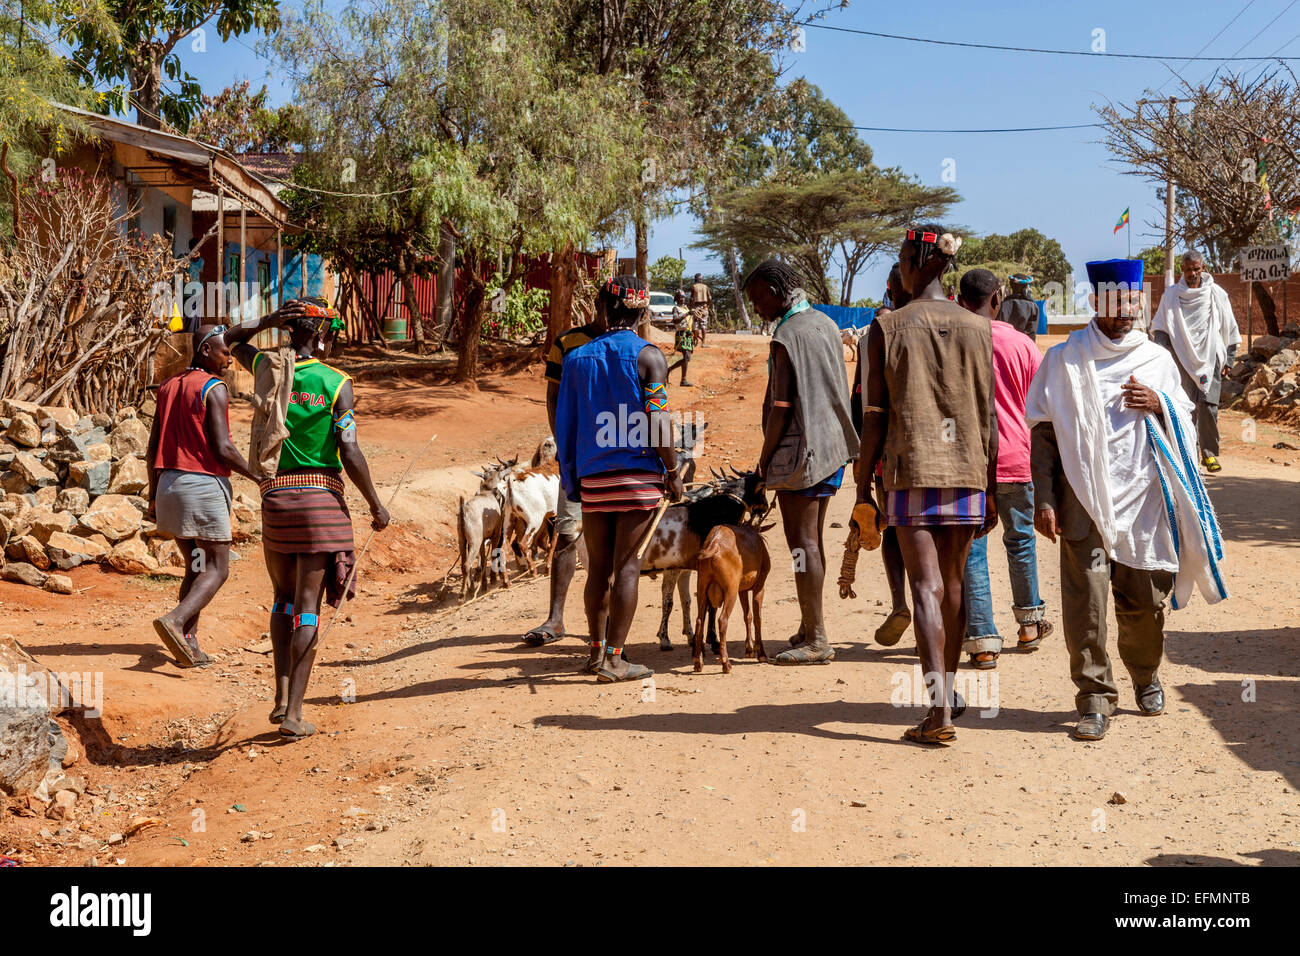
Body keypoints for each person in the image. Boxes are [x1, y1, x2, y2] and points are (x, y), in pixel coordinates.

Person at [1027, 259, 1227, 742]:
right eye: (1115, 305)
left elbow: (1184, 416)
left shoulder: (1156, 360)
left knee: (1143, 603)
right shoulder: (1065, 359)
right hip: (1083, 503)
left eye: (1132, 305)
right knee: (1086, 604)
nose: (1124, 314)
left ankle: (1145, 674)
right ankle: (1094, 698)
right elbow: (1044, 434)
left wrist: (1159, 404)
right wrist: (1045, 498)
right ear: (1095, 303)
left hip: (1144, 502)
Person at [856, 226, 997, 745]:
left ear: (916, 263)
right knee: (954, 585)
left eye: (898, 258)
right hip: (967, 470)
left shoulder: (884, 329)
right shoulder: (978, 327)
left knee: (926, 588)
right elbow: (989, 415)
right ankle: (949, 694)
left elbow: (874, 416)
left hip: (909, 472)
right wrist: (993, 483)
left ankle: (937, 711)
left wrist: (860, 483)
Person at [227, 298, 390, 741]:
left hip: (275, 499)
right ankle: (296, 713)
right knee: (307, 609)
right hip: (319, 503)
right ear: (319, 334)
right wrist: (375, 504)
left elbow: (226, 340)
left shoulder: (266, 366)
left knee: (282, 599)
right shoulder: (336, 383)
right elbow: (350, 450)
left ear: (289, 328)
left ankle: (280, 699)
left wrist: (265, 323)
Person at [554, 276, 684, 682]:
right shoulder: (650, 357)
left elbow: (567, 427)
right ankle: (614, 659)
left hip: (593, 479)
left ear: (602, 308)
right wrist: (675, 470)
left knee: (598, 571)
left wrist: (571, 478)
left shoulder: (576, 359)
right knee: (628, 567)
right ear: (643, 313)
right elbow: (658, 419)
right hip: (638, 479)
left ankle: (595, 652)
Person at [747, 259, 859, 665]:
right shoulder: (826, 324)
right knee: (812, 542)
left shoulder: (786, 336)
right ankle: (810, 625)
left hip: (801, 454)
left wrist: (763, 464)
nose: (758, 308)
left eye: (758, 299)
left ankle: (817, 638)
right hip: (833, 450)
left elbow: (781, 408)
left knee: (802, 545)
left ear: (776, 292)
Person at [146, 325, 260, 668]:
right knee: (217, 569)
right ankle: (176, 621)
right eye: (225, 353)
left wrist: (154, 494)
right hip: (202, 487)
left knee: (196, 566)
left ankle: (189, 646)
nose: (229, 360)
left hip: (169, 486)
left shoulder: (168, 386)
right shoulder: (214, 388)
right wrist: (259, 476)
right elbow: (223, 448)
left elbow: (152, 448)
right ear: (206, 350)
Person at [956, 269, 1053, 670]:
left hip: (969, 463)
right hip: (1018, 459)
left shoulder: (953, 341)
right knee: (1021, 541)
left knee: (973, 549)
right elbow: (1041, 408)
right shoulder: (1024, 345)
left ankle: (981, 642)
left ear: (961, 300)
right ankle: (1029, 624)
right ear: (998, 298)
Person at [520, 302, 609, 647]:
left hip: (615, 459)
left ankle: (605, 629)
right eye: (608, 307)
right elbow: (553, 397)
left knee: (612, 541)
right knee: (568, 534)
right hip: (578, 459)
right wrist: (563, 443)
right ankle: (555, 618)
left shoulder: (632, 342)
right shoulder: (568, 342)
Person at [850, 263, 912, 645]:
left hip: (885, 452)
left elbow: (862, 399)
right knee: (928, 531)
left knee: (891, 524)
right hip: (936, 453)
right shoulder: (944, 325)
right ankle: (933, 610)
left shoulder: (875, 332)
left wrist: (863, 461)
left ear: (889, 286)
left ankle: (900, 602)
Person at [1151, 250, 1240, 473]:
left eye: (1196, 269)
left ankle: (1209, 455)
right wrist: (1163, 357)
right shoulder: (1171, 296)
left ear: (1202, 268)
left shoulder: (1216, 294)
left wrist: (1229, 358)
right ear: (1183, 269)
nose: (1193, 273)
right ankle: (1189, 455)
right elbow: (1161, 328)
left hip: (1212, 359)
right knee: (1185, 409)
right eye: (1189, 269)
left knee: (1209, 409)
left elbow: (1229, 327)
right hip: (1181, 360)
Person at [997, 273, 1039, 338]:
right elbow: (1031, 334)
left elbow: (998, 330)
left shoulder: (1002, 305)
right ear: (1023, 288)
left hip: (1004, 344)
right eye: (1027, 285)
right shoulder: (1032, 307)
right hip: (1023, 345)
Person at [666, 290, 695, 387]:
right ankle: (683, 380)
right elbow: (675, 320)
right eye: (680, 297)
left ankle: (669, 370)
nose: (683, 299)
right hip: (681, 334)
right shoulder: (676, 309)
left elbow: (690, 321)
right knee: (686, 356)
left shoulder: (686, 308)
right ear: (677, 299)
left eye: (683, 297)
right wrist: (687, 314)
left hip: (688, 334)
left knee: (687, 358)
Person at [690, 273, 712, 348]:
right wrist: (707, 306)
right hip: (704, 307)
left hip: (696, 307)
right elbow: (710, 298)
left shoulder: (694, 286)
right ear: (701, 279)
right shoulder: (705, 287)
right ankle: (703, 343)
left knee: (695, 325)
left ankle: (694, 341)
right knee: (703, 326)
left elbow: (691, 299)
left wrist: (690, 308)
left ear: (695, 279)